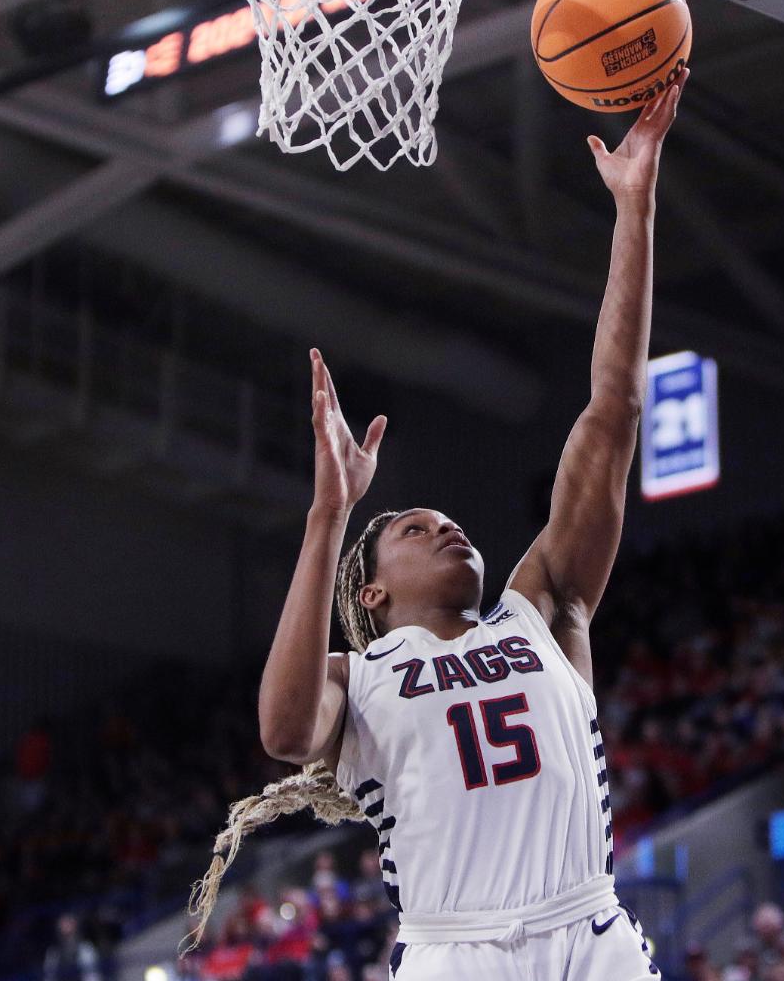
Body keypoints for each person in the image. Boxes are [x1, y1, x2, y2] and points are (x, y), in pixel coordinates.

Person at [178, 75, 689, 981]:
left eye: (445, 519)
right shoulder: (359, 676)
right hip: (458, 952)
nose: (446, 526)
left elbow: (613, 408)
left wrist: (635, 208)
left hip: (590, 931)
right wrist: (329, 512)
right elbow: (285, 731)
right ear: (369, 592)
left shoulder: (547, 611)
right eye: (415, 527)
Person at [42, 915, 103, 981]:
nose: (67, 938)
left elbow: (92, 975)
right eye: (64, 935)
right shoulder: (53, 953)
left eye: (70, 934)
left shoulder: (86, 949)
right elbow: (49, 976)